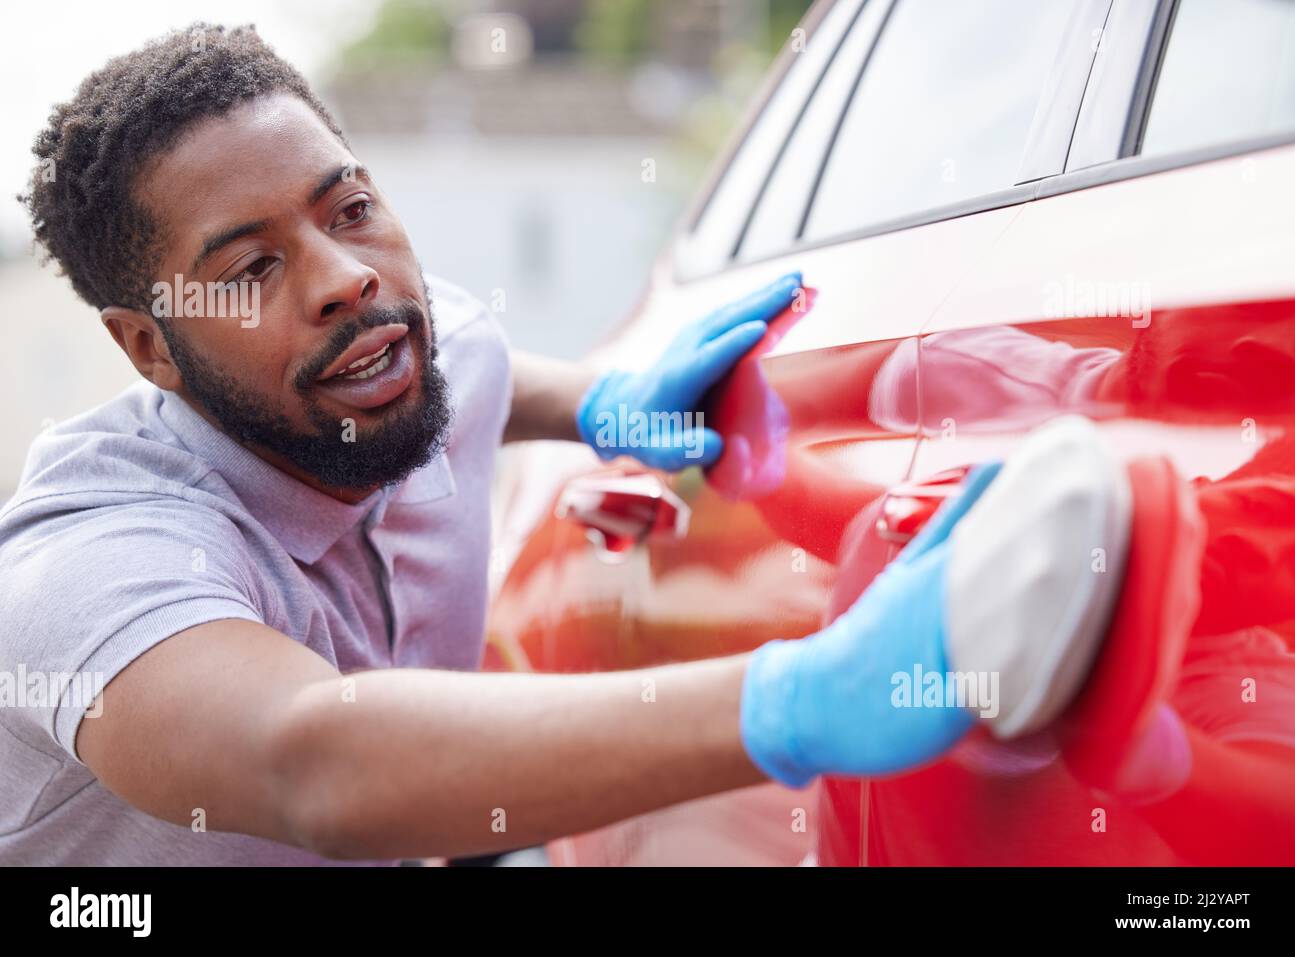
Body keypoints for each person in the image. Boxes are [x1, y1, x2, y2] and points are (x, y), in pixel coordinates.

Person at [0, 24, 1079, 865]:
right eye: (250, 271)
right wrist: (798, 699)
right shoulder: (89, 566)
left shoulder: (399, 353)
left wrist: (608, 405)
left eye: (352, 206)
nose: (343, 277)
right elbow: (307, 762)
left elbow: (487, 372)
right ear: (150, 347)